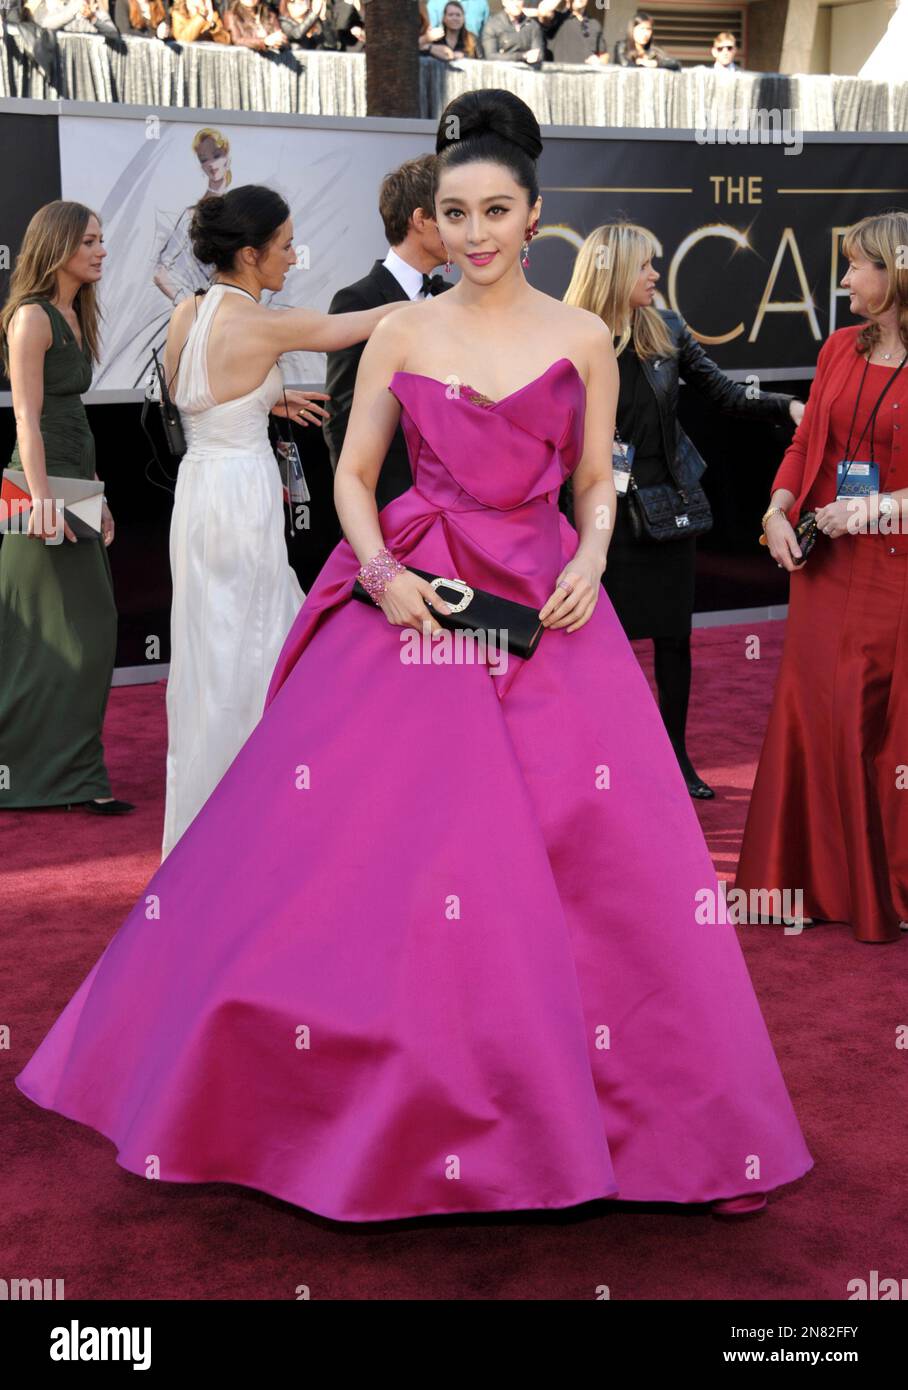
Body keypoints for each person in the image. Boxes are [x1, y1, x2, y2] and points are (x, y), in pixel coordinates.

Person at [15, 90, 812, 1223]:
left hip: (545, 602)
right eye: (455, 212)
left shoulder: (583, 337)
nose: (476, 232)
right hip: (419, 591)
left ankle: (611, 1120)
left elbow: (593, 482)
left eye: (497, 210)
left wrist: (589, 553)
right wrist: (382, 572)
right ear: (431, 220)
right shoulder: (400, 329)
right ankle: (360, 1105)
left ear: (534, 216)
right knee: (375, 852)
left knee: (596, 857)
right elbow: (351, 472)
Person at [159, 183, 404, 859]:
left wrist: (266, 398)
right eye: (286, 244)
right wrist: (453, 301)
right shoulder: (266, 323)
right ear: (249, 253)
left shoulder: (190, 310)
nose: (294, 257)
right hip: (240, 497)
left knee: (214, 650)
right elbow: (356, 327)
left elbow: (197, 394)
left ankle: (211, 829)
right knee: (254, 645)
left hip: (199, 495)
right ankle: (258, 826)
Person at [563, 223, 802, 799]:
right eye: (645, 266)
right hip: (598, 514)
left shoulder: (666, 328)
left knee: (674, 639)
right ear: (615, 271)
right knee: (596, 644)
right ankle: (602, 761)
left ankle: (676, 760)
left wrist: (790, 406)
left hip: (668, 505)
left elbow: (723, 392)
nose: (654, 275)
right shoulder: (565, 335)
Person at [736, 211, 908, 945]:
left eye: (857, 267)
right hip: (824, 564)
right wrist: (776, 511)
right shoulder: (839, 346)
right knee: (814, 709)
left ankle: (884, 889)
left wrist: (872, 511)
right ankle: (807, 882)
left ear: (896, 273)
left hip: (893, 571)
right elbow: (808, 444)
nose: (843, 281)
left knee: (874, 723)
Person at [0, 201, 132, 816]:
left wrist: (95, 495)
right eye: (89, 241)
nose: (100, 250)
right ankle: (37, 777)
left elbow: (73, 418)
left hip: (73, 485)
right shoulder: (31, 318)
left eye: (102, 239)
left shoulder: (72, 314)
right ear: (57, 246)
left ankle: (76, 775)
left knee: (90, 631)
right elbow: (26, 416)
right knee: (40, 640)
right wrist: (42, 501)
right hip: (35, 492)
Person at [323, 154, 450, 511]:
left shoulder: (450, 298)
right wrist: (365, 515)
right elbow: (342, 421)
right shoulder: (357, 300)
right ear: (421, 219)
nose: (464, 229)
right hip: (392, 508)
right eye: (452, 213)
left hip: (455, 509)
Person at [536, 0, 608, 66]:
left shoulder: (594, 24)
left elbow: (604, 55)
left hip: (586, 78)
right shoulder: (558, 18)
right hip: (559, 78)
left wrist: (599, 62)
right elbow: (543, 11)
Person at [612, 10, 680, 70]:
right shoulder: (622, 47)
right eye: (642, 29)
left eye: (648, 29)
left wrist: (656, 64)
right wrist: (641, 64)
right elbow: (625, 65)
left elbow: (674, 63)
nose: (645, 33)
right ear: (632, 30)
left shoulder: (654, 49)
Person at [481, 0, 543, 65]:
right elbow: (491, 57)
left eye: (519, 0)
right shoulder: (493, 25)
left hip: (527, 72)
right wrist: (522, 56)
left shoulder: (532, 25)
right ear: (504, 2)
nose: (516, 4)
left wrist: (534, 56)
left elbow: (538, 55)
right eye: (512, 0)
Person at [25, 0, 118, 35]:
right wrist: (76, 7)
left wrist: (93, 19)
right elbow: (45, 25)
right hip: (66, 67)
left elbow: (113, 34)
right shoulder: (62, 9)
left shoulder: (98, 13)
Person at [222, 0, 286, 49]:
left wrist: (280, 42)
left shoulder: (270, 14)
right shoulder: (231, 15)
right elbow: (237, 40)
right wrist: (264, 42)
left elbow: (280, 36)